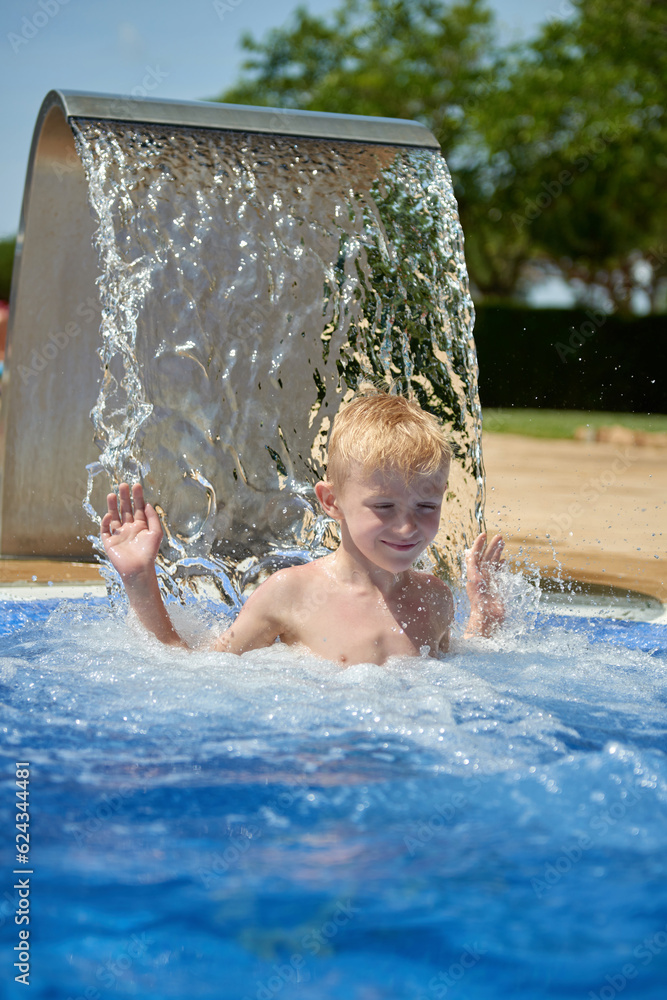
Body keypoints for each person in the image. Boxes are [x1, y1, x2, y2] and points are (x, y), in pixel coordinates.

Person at [101, 389, 504, 665]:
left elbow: (456, 673)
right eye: (384, 506)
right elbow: (196, 669)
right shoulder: (290, 593)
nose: (407, 526)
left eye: (426, 506)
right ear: (331, 502)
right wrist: (140, 578)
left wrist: (484, 616)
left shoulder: (434, 599)